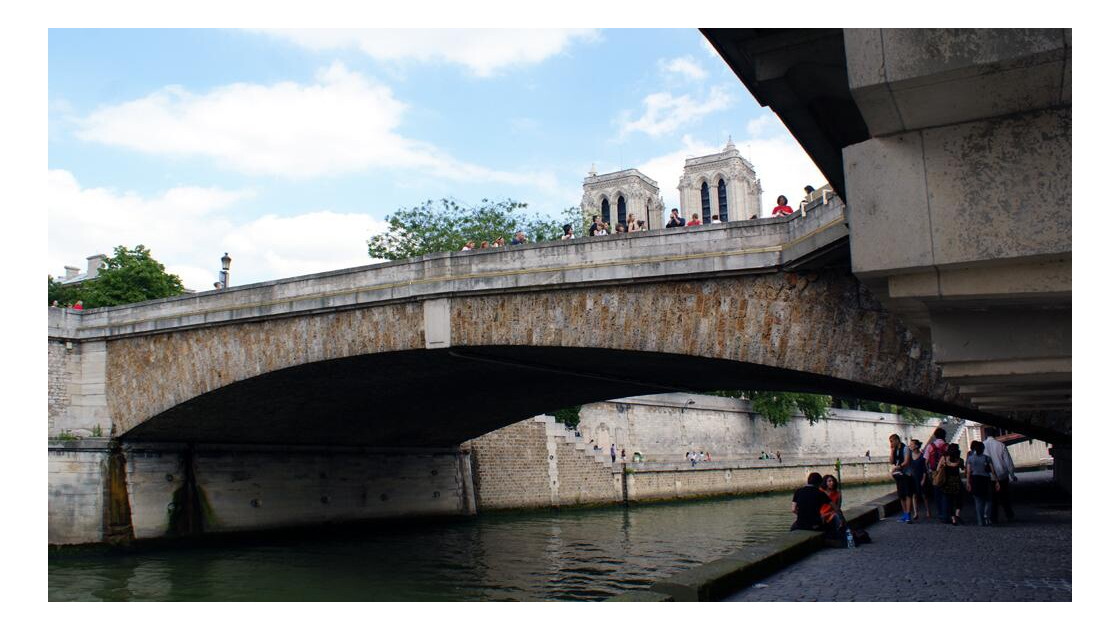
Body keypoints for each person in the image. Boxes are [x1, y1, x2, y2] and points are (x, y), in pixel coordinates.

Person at [981, 427, 1017, 523]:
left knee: (992, 498)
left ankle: (993, 517)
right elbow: (1008, 461)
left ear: (985, 434)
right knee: (1004, 496)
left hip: (989, 476)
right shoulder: (1001, 445)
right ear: (995, 434)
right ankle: (1009, 515)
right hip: (1002, 474)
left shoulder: (982, 446)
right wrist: (1012, 475)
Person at [966, 440, 1000, 526]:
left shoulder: (970, 458)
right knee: (989, 499)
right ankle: (986, 513)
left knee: (978, 502)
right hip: (985, 479)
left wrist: (968, 482)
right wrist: (996, 481)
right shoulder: (987, 458)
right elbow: (992, 471)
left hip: (975, 479)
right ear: (983, 449)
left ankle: (980, 521)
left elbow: (968, 471)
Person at [923, 427, 950, 522]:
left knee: (937, 493)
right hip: (946, 472)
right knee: (946, 493)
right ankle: (947, 513)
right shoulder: (947, 446)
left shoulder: (930, 446)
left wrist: (928, 472)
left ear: (935, 436)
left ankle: (940, 514)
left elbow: (925, 461)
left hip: (935, 472)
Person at [937, 443, 965, 525]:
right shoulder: (959, 460)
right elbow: (963, 468)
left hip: (947, 482)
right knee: (959, 499)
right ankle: (957, 514)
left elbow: (938, 469)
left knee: (949, 501)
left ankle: (952, 518)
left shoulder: (944, 459)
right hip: (956, 481)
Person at [889, 434, 913, 523]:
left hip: (906, 474)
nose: (891, 443)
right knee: (901, 495)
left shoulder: (905, 448)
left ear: (897, 440)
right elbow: (891, 461)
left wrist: (897, 467)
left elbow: (906, 461)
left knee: (907, 495)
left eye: (892, 441)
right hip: (899, 475)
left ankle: (908, 515)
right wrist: (891, 450)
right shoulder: (895, 450)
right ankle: (905, 514)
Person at [908, 438, 931, 520]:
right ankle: (915, 513)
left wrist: (924, 479)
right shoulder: (909, 456)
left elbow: (925, 469)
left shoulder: (922, 456)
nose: (910, 446)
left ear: (916, 446)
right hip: (913, 478)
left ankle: (928, 510)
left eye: (912, 444)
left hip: (920, 477)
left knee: (924, 495)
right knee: (914, 495)